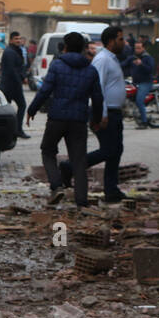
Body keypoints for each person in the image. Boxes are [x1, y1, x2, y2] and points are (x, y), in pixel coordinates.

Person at [27, 31, 104, 207]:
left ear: (66, 47)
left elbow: (45, 91)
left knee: (47, 150)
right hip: (79, 120)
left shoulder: (57, 66)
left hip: (57, 118)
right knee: (79, 161)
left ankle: (56, 186)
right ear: (84, 49)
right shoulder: (91, 70)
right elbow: (98, 98)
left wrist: (32, 109)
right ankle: (82, 201)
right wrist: (96, 120)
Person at [61, 25, 125, 202]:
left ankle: (111, 189)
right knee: (110, 149)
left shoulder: (112, 58)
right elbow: (97, 88)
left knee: (116, 150)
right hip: (105, 113)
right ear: (111, 41)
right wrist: (101, 113)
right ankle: (70, 167)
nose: (124, 42)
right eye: (120, 39)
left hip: (114, 112)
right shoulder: (102, 59)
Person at [0, 31, 29, 138]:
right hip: (10, 86)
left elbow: (19, 67)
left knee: (15, 107)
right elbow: (12, 70)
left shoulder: (15, 50)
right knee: (19, 106)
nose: (18, 41)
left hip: (12, 85)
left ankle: (14, 130)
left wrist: (23, 77)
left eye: (19, 39)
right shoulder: (10, 52)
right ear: (11, 40)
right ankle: (15, 130)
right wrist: (19, 81)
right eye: (16, 39)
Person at [125, 39, 156, 129]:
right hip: (135, 82)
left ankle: (144, 122)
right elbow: (124, 64)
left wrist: (141, 64)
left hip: (145, 82)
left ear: (143, 48)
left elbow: (150, 70)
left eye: (139, 48)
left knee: (139, 101)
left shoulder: (148, 58)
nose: (137, 50)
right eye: (135, 48)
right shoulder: (132, 57)